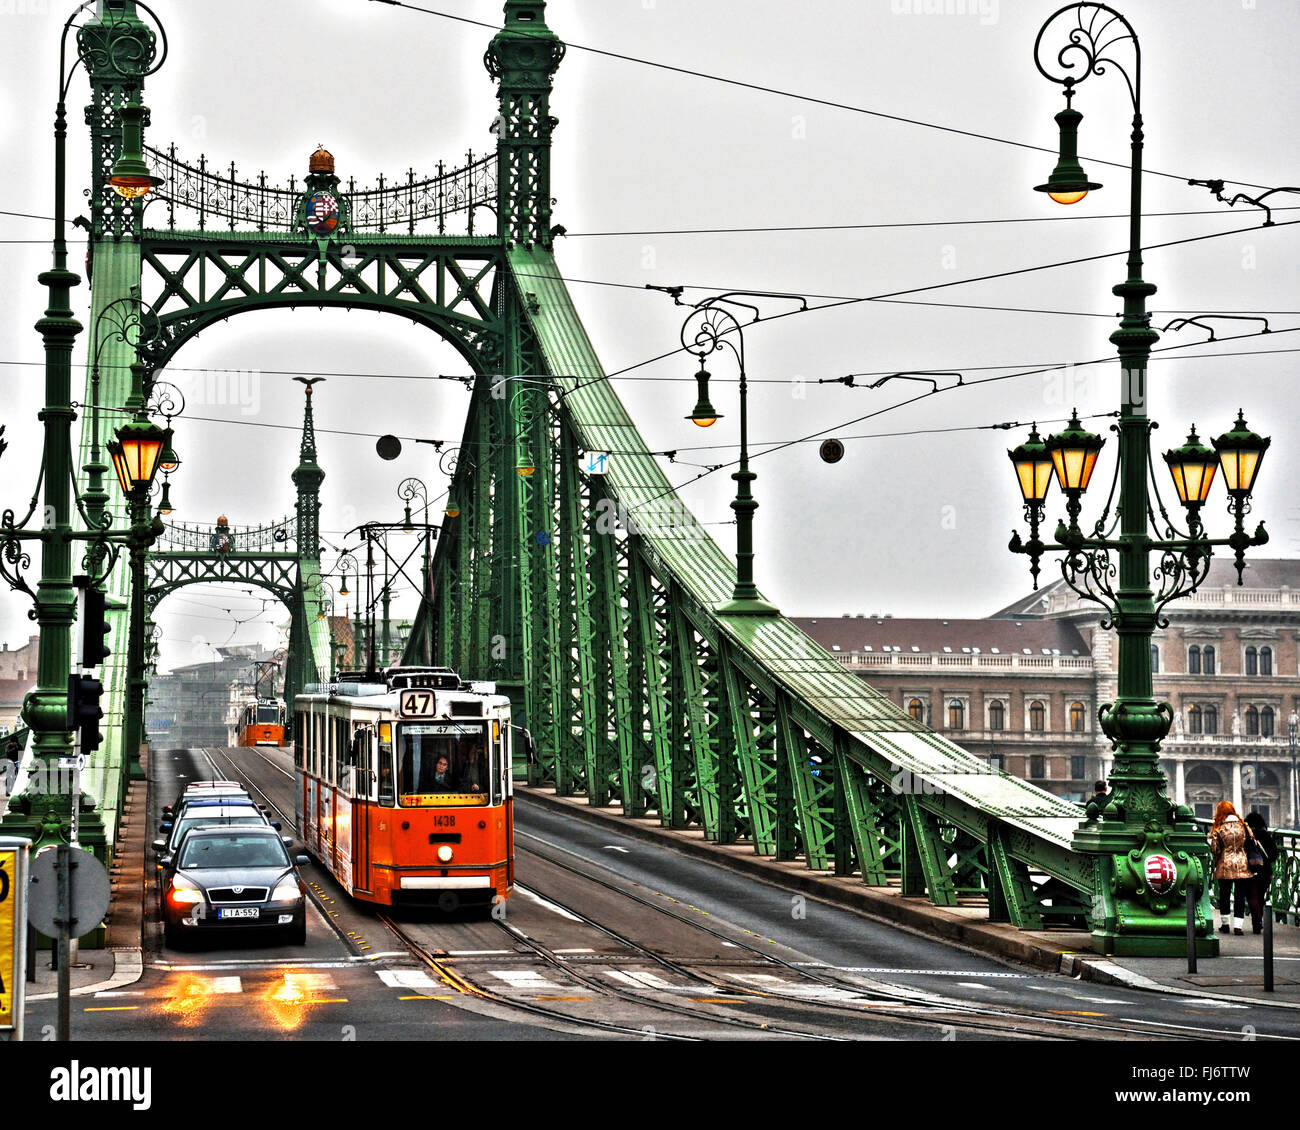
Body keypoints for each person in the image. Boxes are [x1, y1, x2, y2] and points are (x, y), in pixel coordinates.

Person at [1207, 800, 1255, 935]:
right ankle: (1238, 927)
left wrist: (1218, 858)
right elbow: (1251, 841)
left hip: (1225, 864)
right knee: (1240, 895)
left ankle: (1225, 924)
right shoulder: (1243, 826)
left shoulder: (1218, 828)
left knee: (1224, 894)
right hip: (1242, 864)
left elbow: (1215, 849)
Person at [1243, 811, 1277, 935]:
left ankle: (1256, 921)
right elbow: (1274, 854)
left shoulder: (1245, 835)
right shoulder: (1266, 835)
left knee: (1252, 896)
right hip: (1265, 871)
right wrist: (1266, 861)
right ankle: (1259, 918)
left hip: (1249, 869)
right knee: (1260, 896)